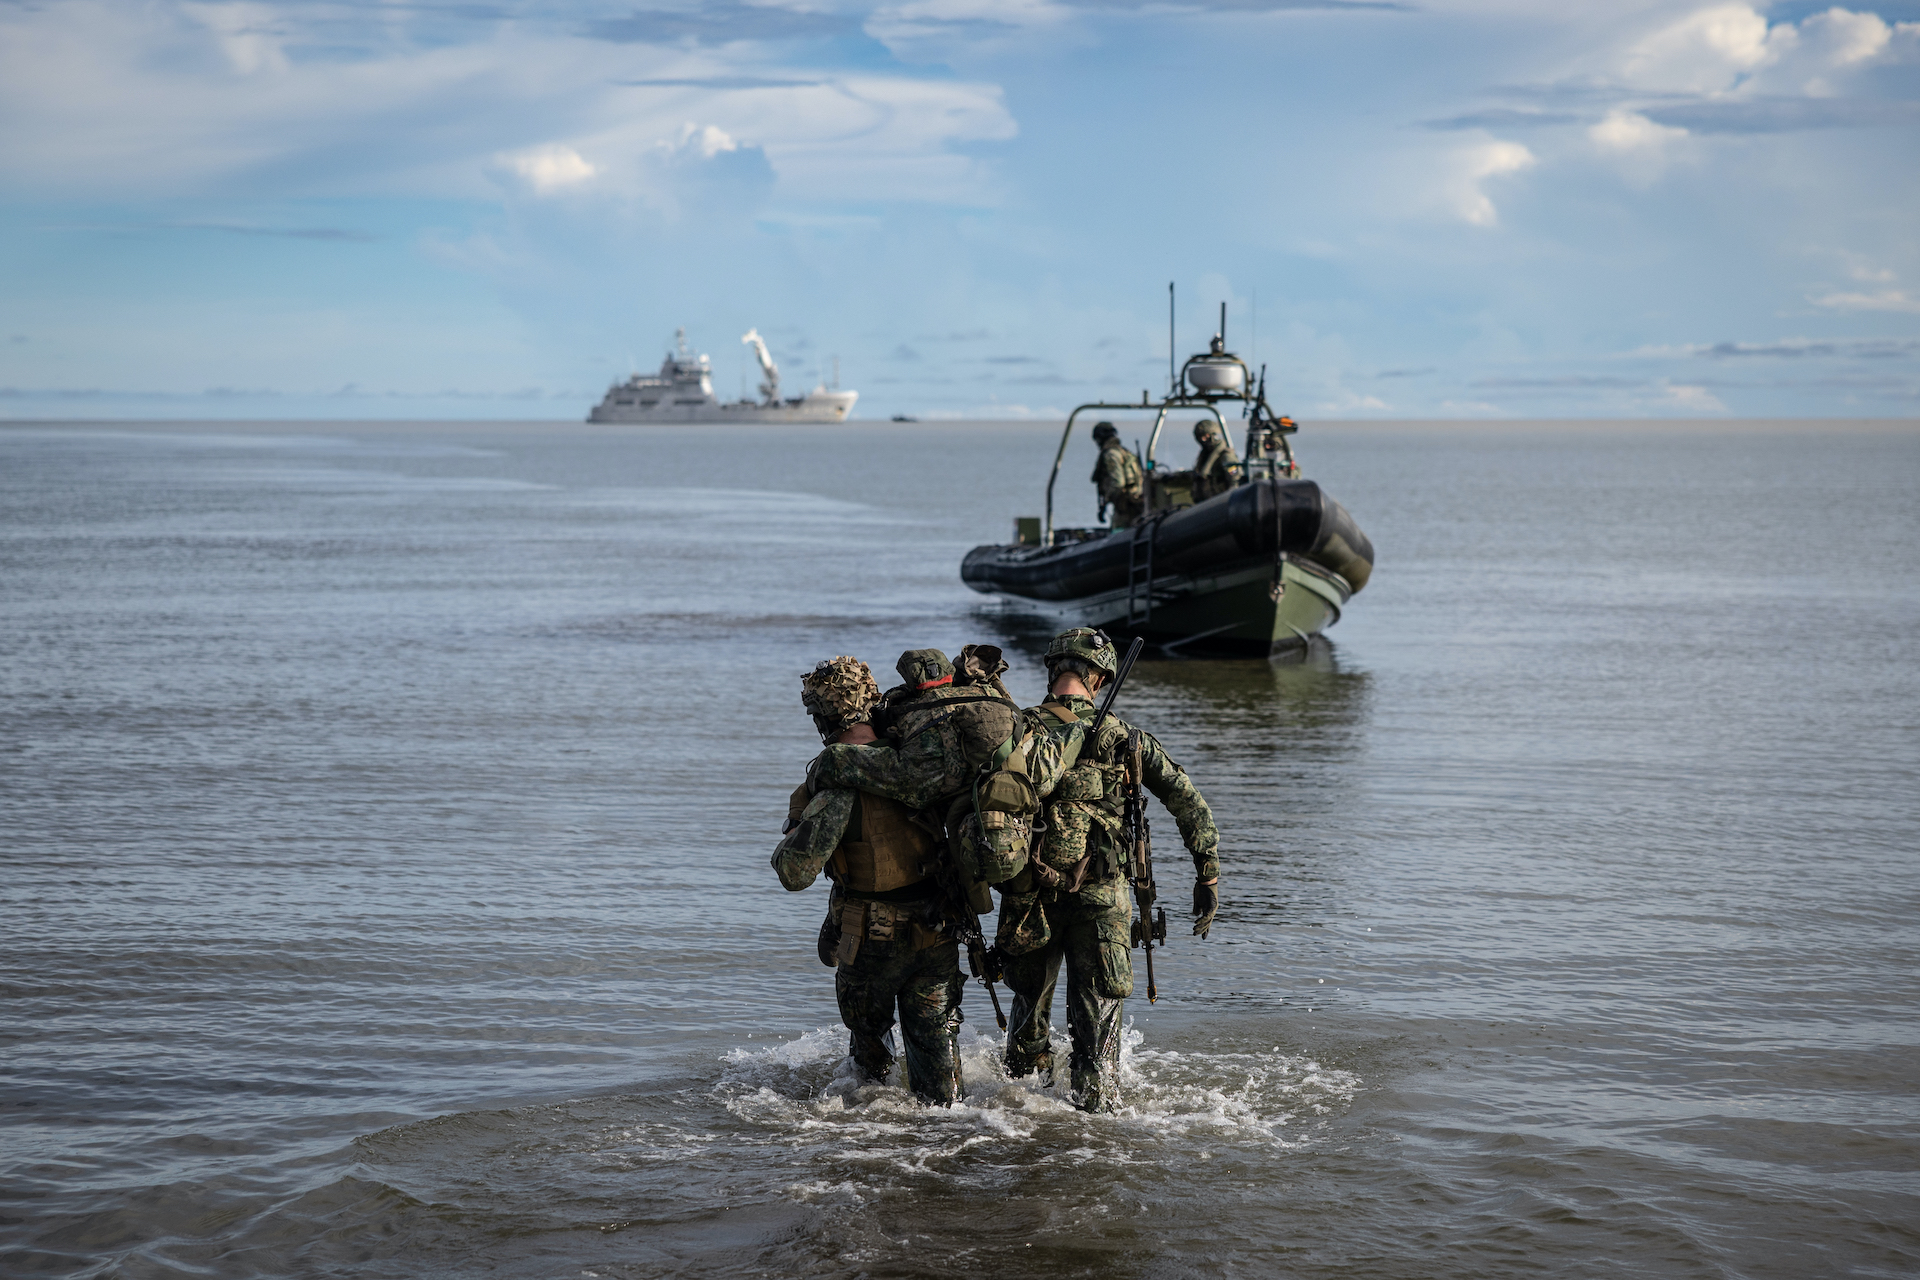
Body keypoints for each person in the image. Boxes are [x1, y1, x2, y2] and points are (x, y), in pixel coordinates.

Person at [993, 627, 1220, 1112]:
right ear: (1098, 678)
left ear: (1054, 671)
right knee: (1097, 1043)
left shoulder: (1015, 731)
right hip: (1102, 898)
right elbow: (1188, 801)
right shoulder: (1127, 740)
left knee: (1024, 1032)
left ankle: (1012, 1131)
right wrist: (1207, 872)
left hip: (1028, 894)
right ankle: (1094, 1131)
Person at [773, 655, 966, 1103]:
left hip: (871, 943)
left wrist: (797, 819)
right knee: (940, 1075)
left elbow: (794, 872)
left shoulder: (841, 781)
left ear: (823, 717)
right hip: (938, 932)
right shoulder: (927, 766)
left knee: (870, 1080)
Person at [1090, 422, 1145, 529]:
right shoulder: (1124, 452)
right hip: (1135, 501)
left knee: (1119, 530)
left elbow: (1118, 483)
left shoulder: (1111, 454)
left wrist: (1107, 499)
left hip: (1126, 505)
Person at [1191, 419, 1239, 502]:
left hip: (1220, 502)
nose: (1202, 440)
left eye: (1205, 436)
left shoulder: (1226, 456)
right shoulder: (1205, 455)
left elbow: (1235, 478)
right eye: (1200, 437)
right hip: (1207, 502)